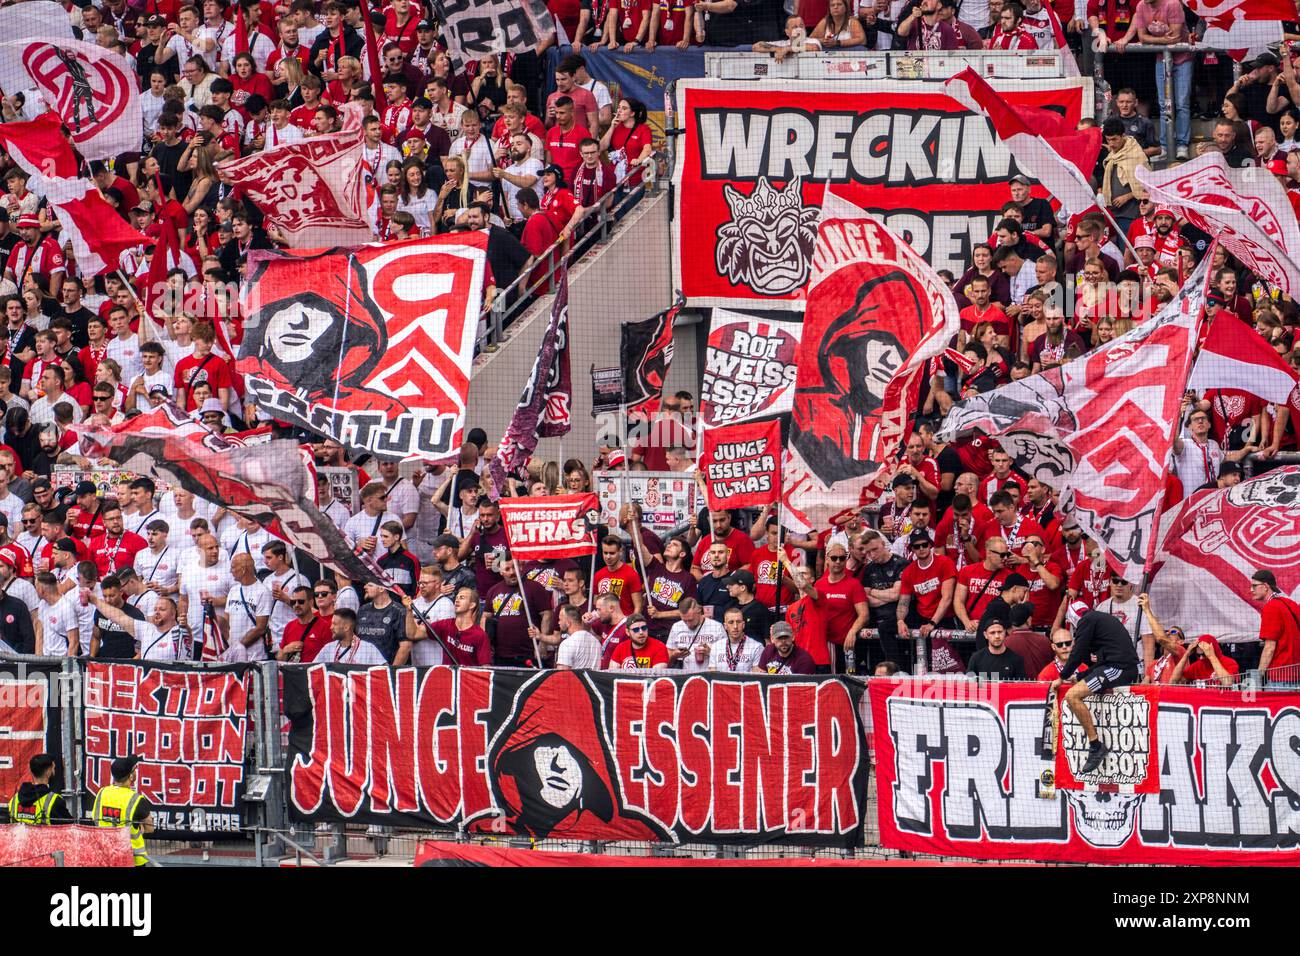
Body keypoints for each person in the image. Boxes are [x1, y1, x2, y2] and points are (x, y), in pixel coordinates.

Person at [1050, 604, 1143, 774]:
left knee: (1072, 696)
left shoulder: (1087, 621)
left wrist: (1061, 677)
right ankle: (1096, 745)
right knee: (1077, 691)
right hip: (1118, 666)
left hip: (1119, 668)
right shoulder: (1099, 620)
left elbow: (1077, 653)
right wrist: (1078, 677)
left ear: (1074, 619)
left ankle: (1096, 745)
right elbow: (1101, 664)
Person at [90, 755, 154, 866]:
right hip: (133, 859)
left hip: (107, 856)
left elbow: (96, 820)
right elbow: (150, 828)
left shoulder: (102, 793)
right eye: (135, 770)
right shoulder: (137, 799)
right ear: (131, 776)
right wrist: (140, 827)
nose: (136, 772)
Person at [1250, 569, 1300, 679]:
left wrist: (1258, 676)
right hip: (1296, 672)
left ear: (1266, 586)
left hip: (1280, 674)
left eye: (1254, 586)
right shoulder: (1288, 603)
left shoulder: (1271, 607)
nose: (1251, 590)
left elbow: (1269, 647)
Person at [5, 753, 70, 825]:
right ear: (48, 772)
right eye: (53, 768)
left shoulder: (14, 800)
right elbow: (69, 828)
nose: (54, 771)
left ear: (32, 772)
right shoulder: (54, 801)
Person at [313, 607, 388, 665]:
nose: (331, 627)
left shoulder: (368, 648)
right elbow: (313, 669)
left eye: (335, 624)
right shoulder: (328, 648)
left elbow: (385, 672)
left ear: (346, 627)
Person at [708, 605, 764, 672]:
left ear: (743, 625)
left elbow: (757, 676)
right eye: (731, 622)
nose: (735, 626)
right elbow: (712, 674)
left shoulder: (756, 647)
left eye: (738, 622)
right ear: (725, 626)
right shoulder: (716, 646)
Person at [605, 612, 669, 669]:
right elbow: (612, 673)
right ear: (627, 632)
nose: (641, 632)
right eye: (636, 629)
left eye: (644, 628)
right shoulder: (621, 648)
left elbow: (657, 676)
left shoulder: (659, 647)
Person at [552, 604, 602, 670]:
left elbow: (561, 674)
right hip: (593, 680)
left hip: (575, 680)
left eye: (560, 619)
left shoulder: (567, 644)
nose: (558, 623)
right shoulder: (596, 641)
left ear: (568, 622)